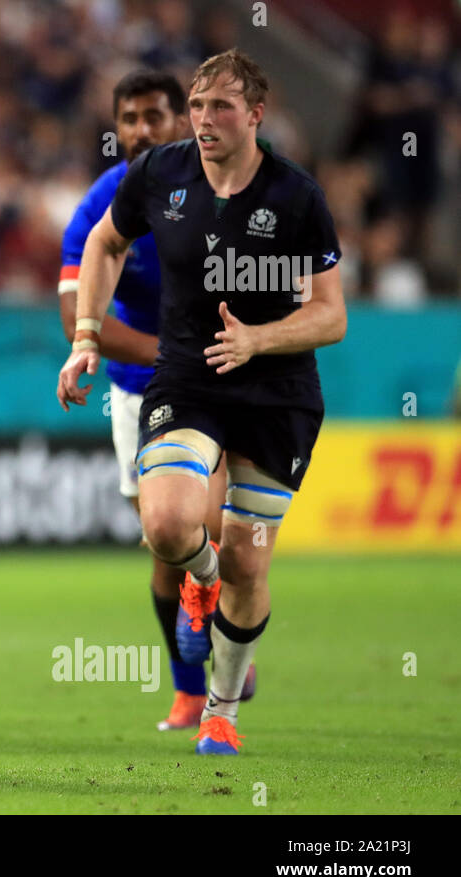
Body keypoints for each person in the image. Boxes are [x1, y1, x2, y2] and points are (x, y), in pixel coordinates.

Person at [57, 50, 346, 755]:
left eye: (222, 105)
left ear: (256, 113)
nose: (206, 119)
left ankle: (221, 710)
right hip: (187, 379)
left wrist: (260, 339)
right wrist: (86, 335)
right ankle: (200, 587)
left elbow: (331, 315)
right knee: (166, 525)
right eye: (197, 105)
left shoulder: (297, 196)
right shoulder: (159, 173)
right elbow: (104, 243)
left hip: (277, 393)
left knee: (250, 564)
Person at [59, 69, 250, 731]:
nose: (142, 130)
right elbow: (77, 317)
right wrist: (169, 353)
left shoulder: (231, 187)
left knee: (220, 528)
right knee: (167, 544)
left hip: (225, 386)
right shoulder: (104, 204)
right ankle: (189, 687)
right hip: (140, 397)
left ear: (184, 120)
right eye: (130, 118)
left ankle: (228, 650)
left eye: (155, 116)